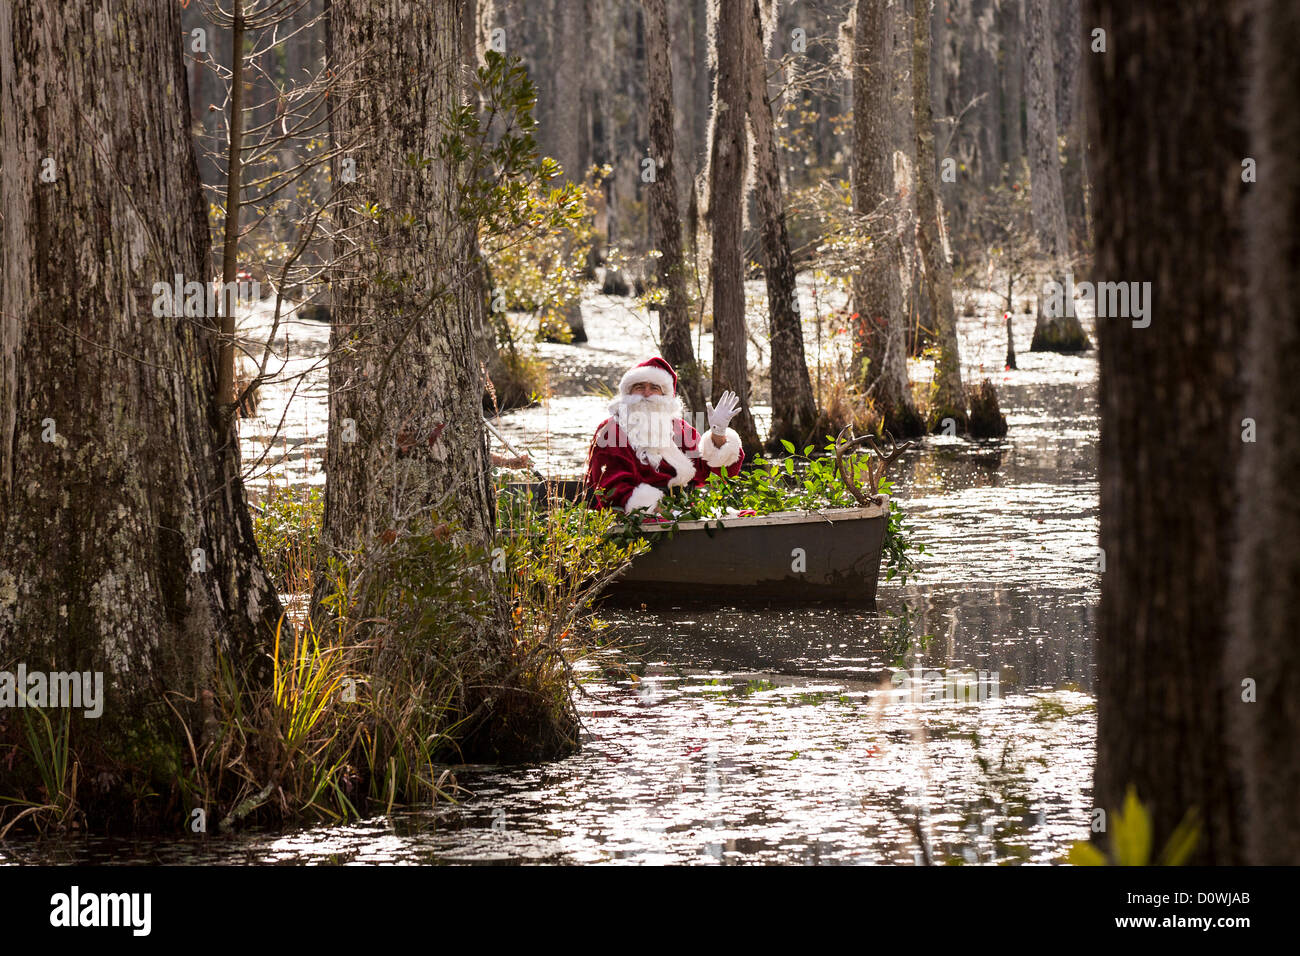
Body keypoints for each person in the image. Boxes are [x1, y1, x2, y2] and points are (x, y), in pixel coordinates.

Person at [585, 356, 744, 513]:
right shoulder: (611, 431)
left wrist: (718, 434)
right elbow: (612, 489)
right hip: (634, 517)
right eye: (639, 386)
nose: (647, 394)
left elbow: (712, 472)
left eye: (654, 388)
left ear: (664, 396)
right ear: (628, 392)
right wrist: (663, 511)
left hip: (683, 511)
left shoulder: (679, 428)